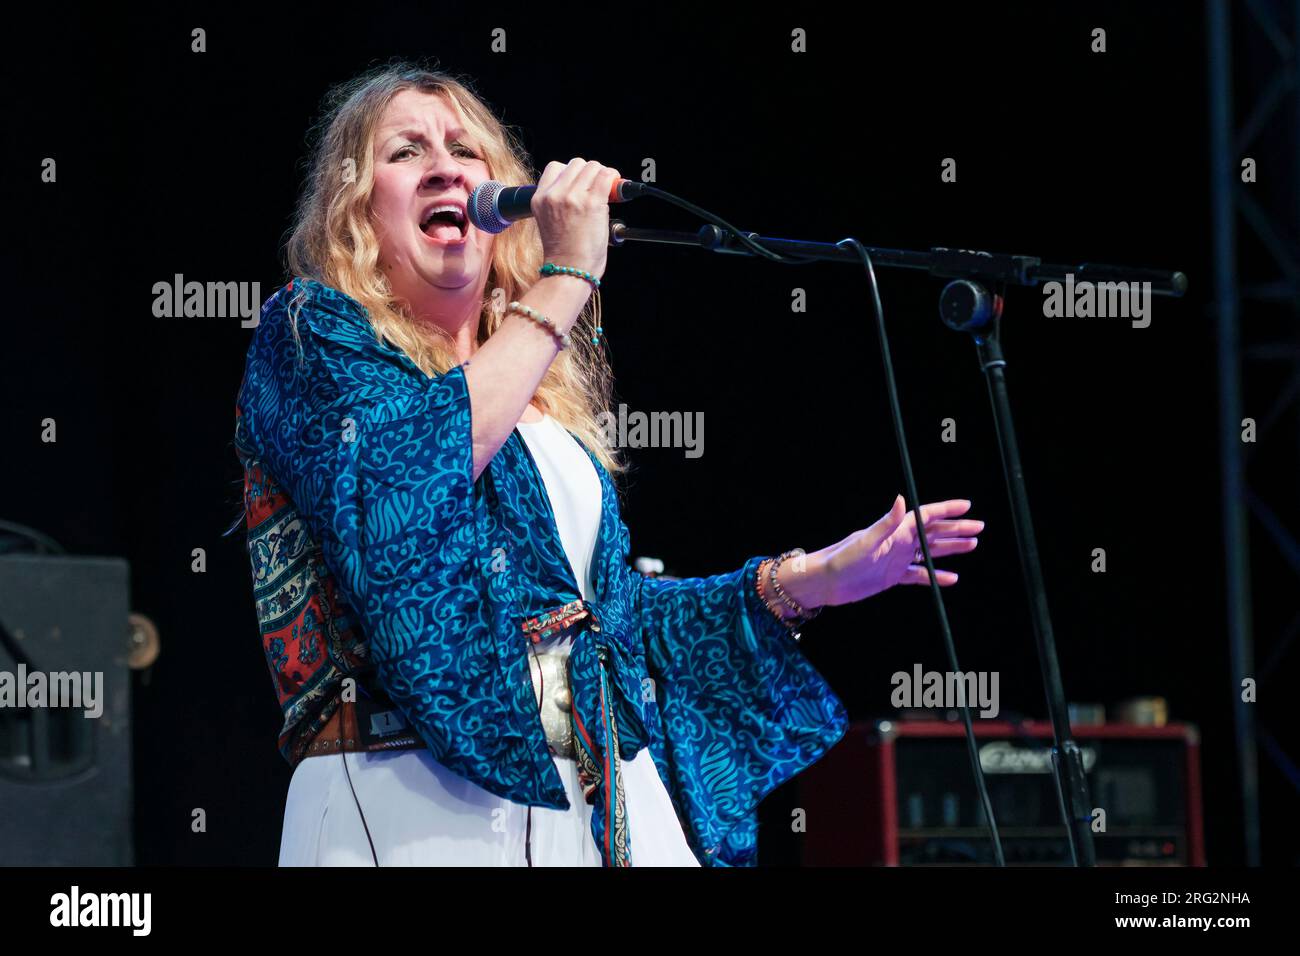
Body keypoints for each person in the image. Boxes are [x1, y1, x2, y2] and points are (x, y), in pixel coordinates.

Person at [232, 62, 984, 867]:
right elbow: (399, 488)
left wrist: (814, 580)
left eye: (466, 149)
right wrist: (565, 281)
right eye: (407, 151)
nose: (447, 166)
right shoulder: (311, 336)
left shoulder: (541, 395)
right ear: (355, 205)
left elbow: (606, 626)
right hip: (407, 795)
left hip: (587, 801)